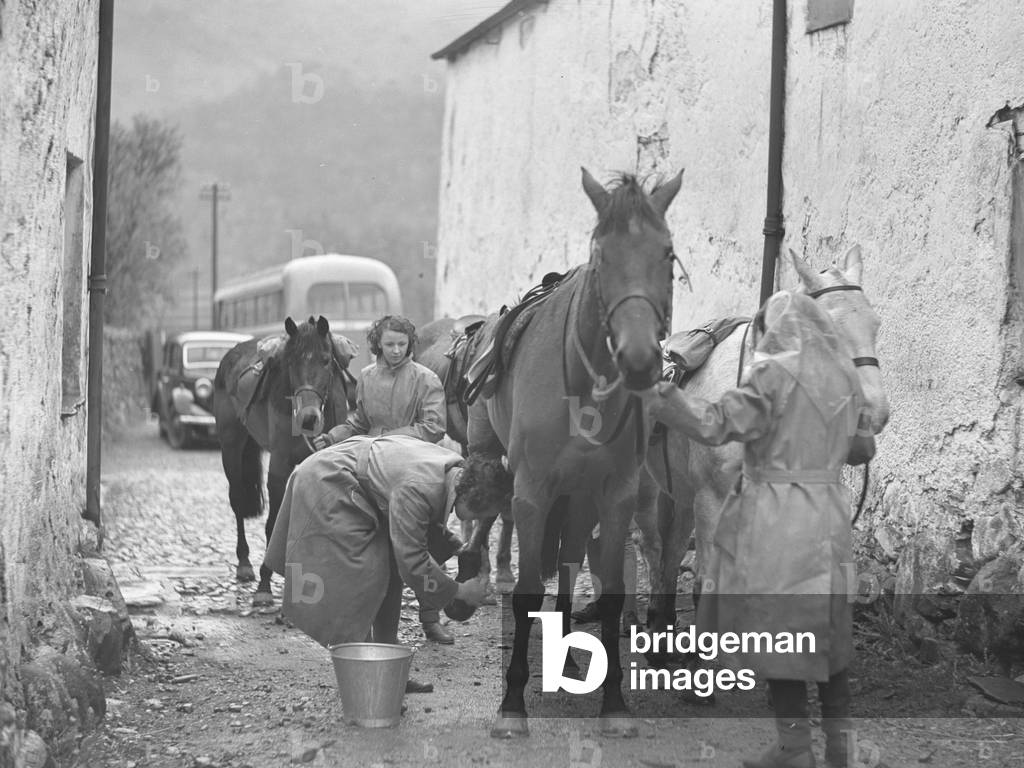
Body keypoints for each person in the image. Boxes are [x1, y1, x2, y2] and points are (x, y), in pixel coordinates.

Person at [640, 291, 877, 768]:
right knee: (828, 631)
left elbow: (712, 424)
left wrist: (661, 396)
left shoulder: (771, 377)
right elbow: (862, 451)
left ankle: (793, 749)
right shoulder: (843, 378)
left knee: (779, 635)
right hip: (829, 517)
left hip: (778, 517)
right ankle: (839, 747)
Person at [264, 434, 512, 693]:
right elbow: (414, 561)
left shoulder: (454, 471)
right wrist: (459, 591)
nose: (482, 519)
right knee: (364, 578)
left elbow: (415, 529)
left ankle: (390, 674)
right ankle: (367, 681)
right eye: (484, 513)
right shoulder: (420, 487)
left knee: (391, 571)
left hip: (354, 484)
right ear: (474, 498)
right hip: (328, 483)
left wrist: (456, 547)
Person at [310, 315, 453, 643]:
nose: (396, 351)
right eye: (389, 344)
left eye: (402, 344)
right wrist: (332, 437)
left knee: (421, 543)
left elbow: (434, 426)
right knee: (378, 547)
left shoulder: (425, 379)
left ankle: (431, 616)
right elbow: (360, 421)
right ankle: (372, 625)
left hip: (413, 468)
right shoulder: (367, 377)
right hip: (373, 470)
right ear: (378, 344)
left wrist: (389, 439)